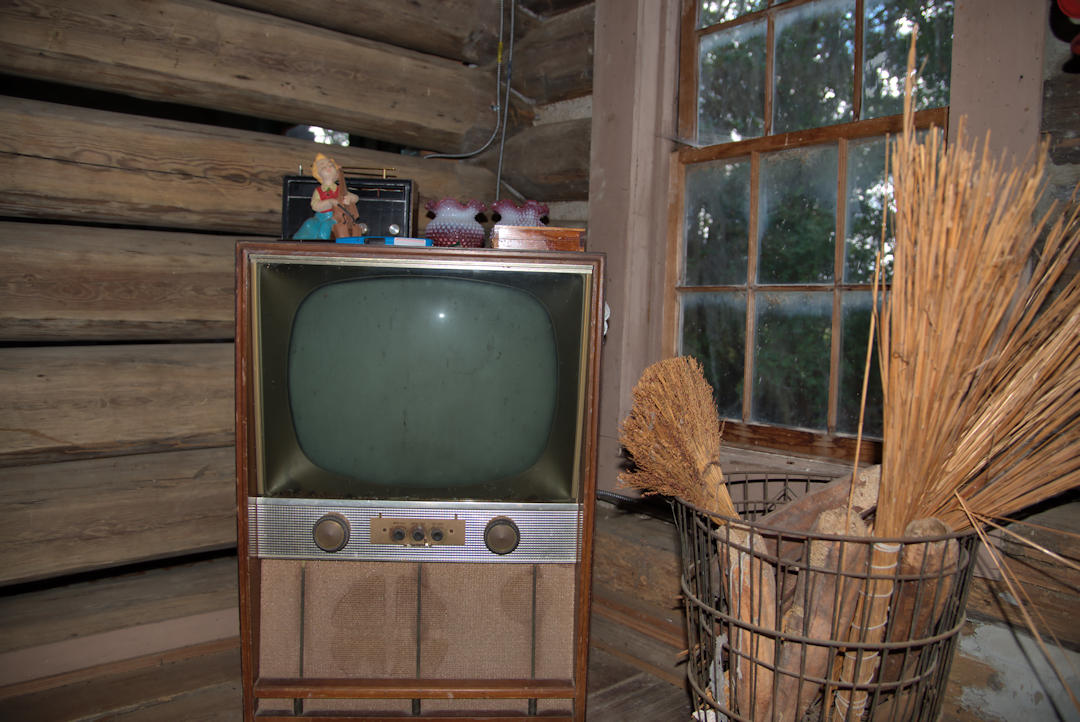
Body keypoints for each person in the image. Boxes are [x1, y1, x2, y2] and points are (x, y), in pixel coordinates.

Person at [293, 153, 360, 240]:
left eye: (330, 165)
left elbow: (356, 198)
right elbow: (315, 206)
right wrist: (329, 202)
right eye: (323, 167)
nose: (328, 167)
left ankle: (323, 243)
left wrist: (350, 198)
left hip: (337, 218)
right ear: (318, 173)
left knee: (325, 228)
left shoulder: (340, 189)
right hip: (320, 217)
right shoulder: (318, 191)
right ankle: (299, 242)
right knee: (309, 223)